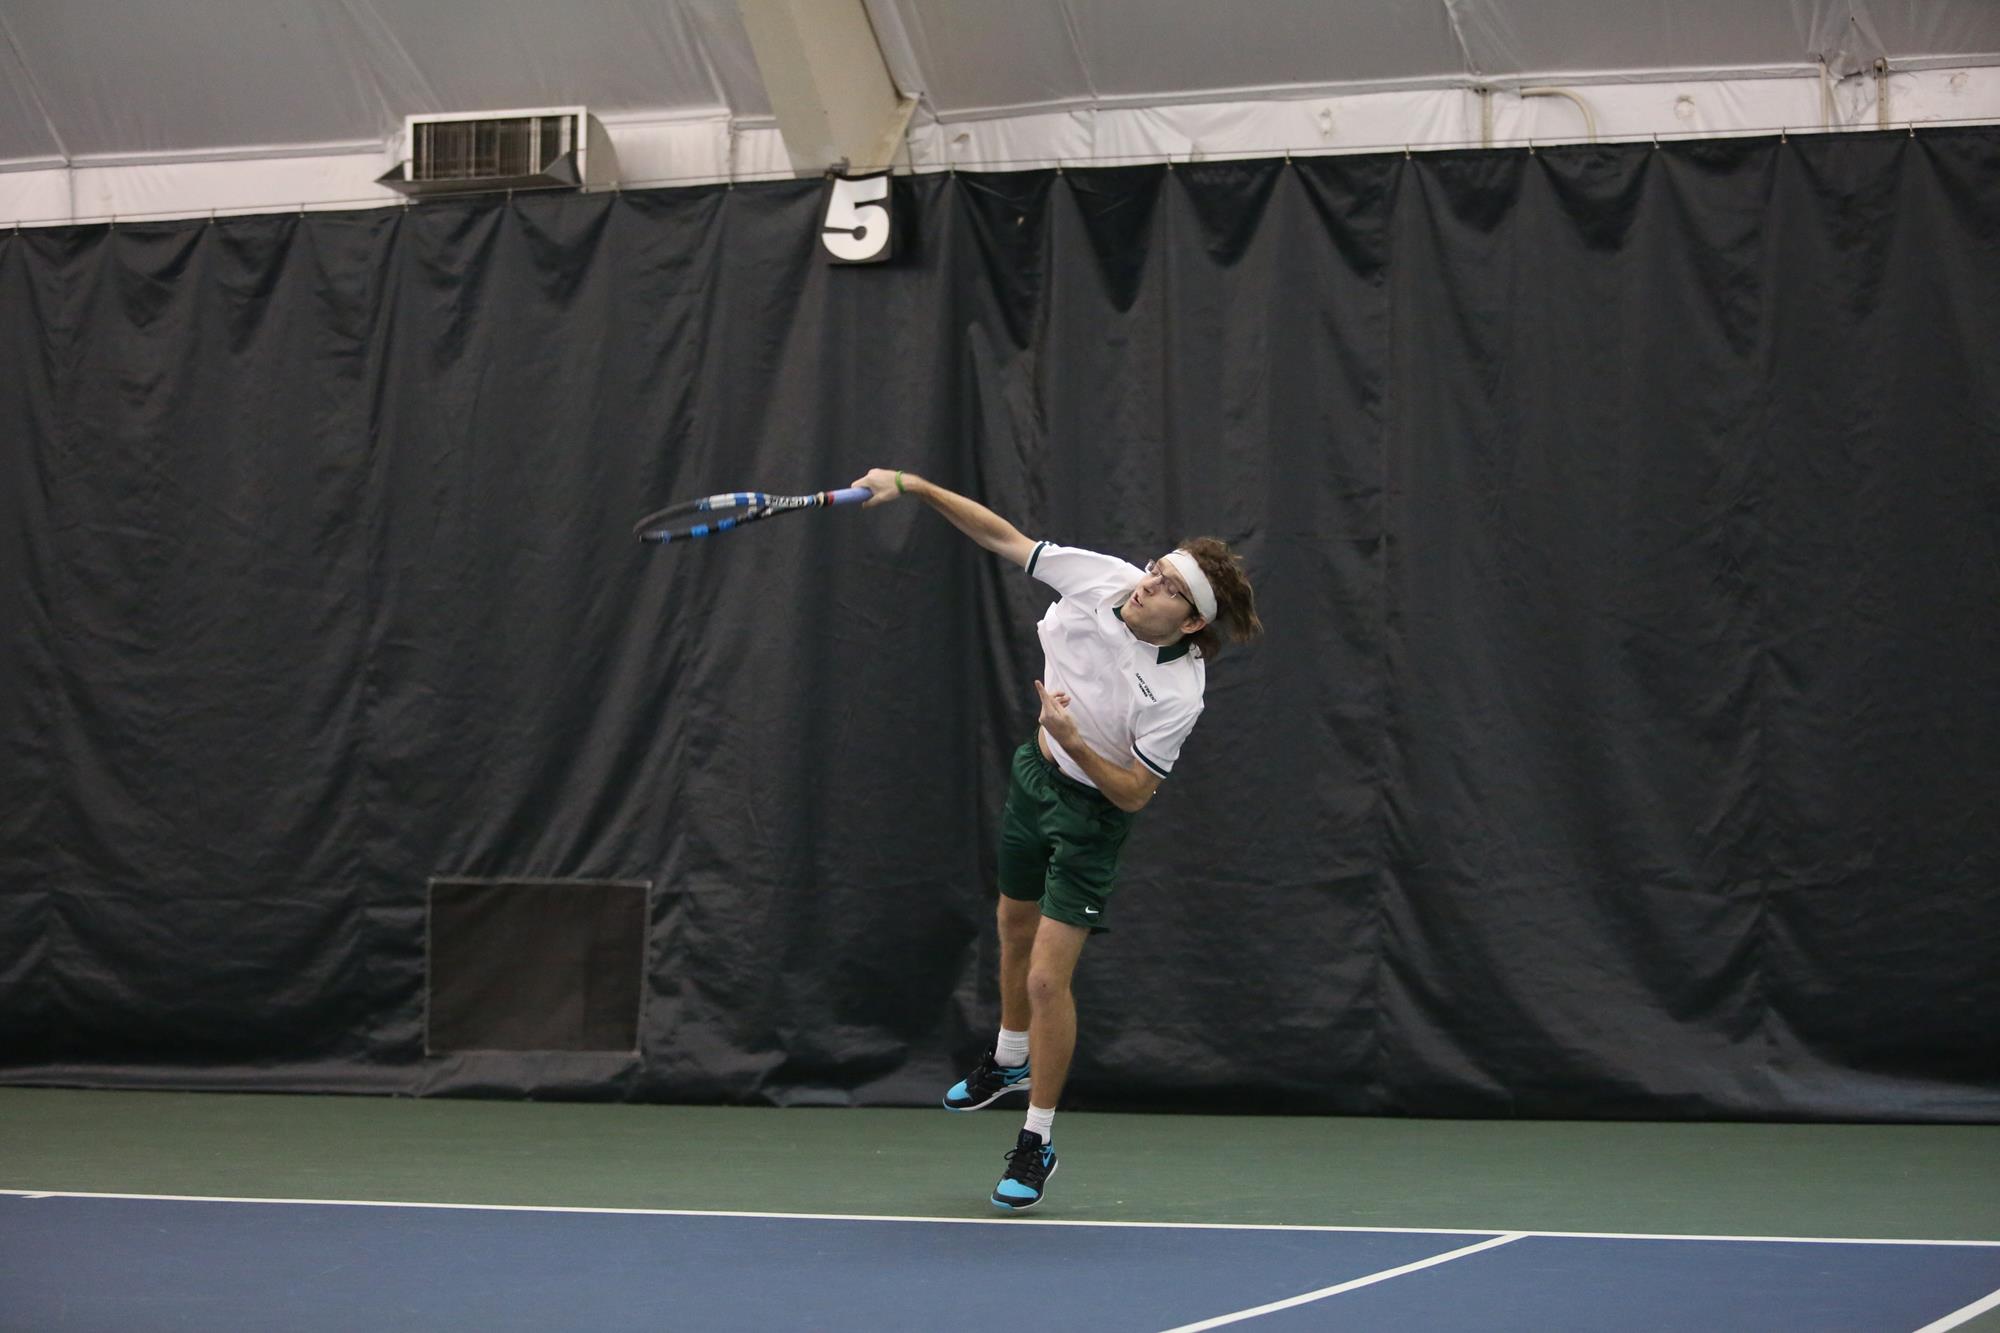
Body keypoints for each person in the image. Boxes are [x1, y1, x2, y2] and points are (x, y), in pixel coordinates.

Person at [850, 466, 1263, 1211]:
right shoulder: (1101, 580)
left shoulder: (1177, 692)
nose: (1148, 584)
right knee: (1010, 921)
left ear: (1192, 620)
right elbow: (1000, 535)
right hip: (1034, 781)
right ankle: (1008, 1059)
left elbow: (1135, 792)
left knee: (1046, 980)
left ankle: (1037, 1141)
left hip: (1094, 819)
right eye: (1156, 569)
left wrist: (1075, 736)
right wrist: (911, 486)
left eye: (1169, 587)